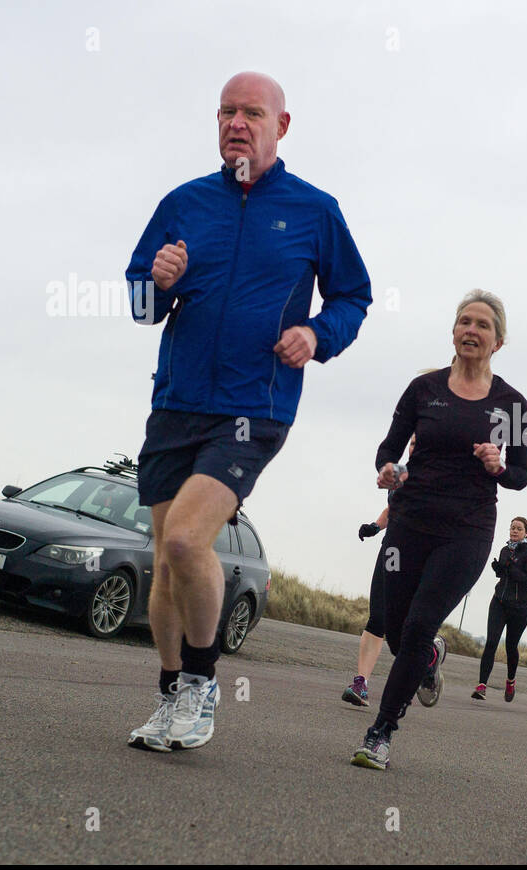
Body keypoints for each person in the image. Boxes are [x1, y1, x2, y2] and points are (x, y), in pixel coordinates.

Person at [126, 72, 371, 752]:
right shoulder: (184, 203)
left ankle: (202, 686)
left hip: (252, 408)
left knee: (185, 540)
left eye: (252, 112)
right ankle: (170, 692)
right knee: (164, 559)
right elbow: (142, 305)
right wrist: (158, 282)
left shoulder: (315, 210)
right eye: (228, 111)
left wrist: (318, 335)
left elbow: (354, 296)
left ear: (280, 126)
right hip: (176, 400)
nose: (238, 122)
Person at [350, 290, 527, 769]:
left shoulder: (512, 404)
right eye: (464, 322)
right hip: (409, 520)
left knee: (417, 625)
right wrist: (388, 468)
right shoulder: (423, 389)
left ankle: (381, 730)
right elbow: (387, 447)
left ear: (499, 340)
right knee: (393, 624)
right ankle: (428, 660)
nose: (471, 330)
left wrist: (498, 465)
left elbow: (521, 475)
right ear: (453, 331)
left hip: (467, 530)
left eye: (483, 325)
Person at [343, 436, 415, 707]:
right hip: (391, 550)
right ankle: (360, 684)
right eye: (411, 442)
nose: (414, 446)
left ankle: (428, 655)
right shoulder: (400, 473)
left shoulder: (440, 474)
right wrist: (375, 526)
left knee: (407, 624)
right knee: (378, 618)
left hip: (419, 555)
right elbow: (392, 505)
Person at [473, 517, 527, 701]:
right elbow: (504, 574)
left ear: (526, 533)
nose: (514, 531)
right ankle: (481, 686)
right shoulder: (505, 550)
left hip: (519, 608)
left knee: (511, 647)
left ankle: (510, 681)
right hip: (499, 602)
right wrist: (498, 569)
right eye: (512, 528)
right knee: (491, 642)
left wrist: (515, 572)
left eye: (518, 529)